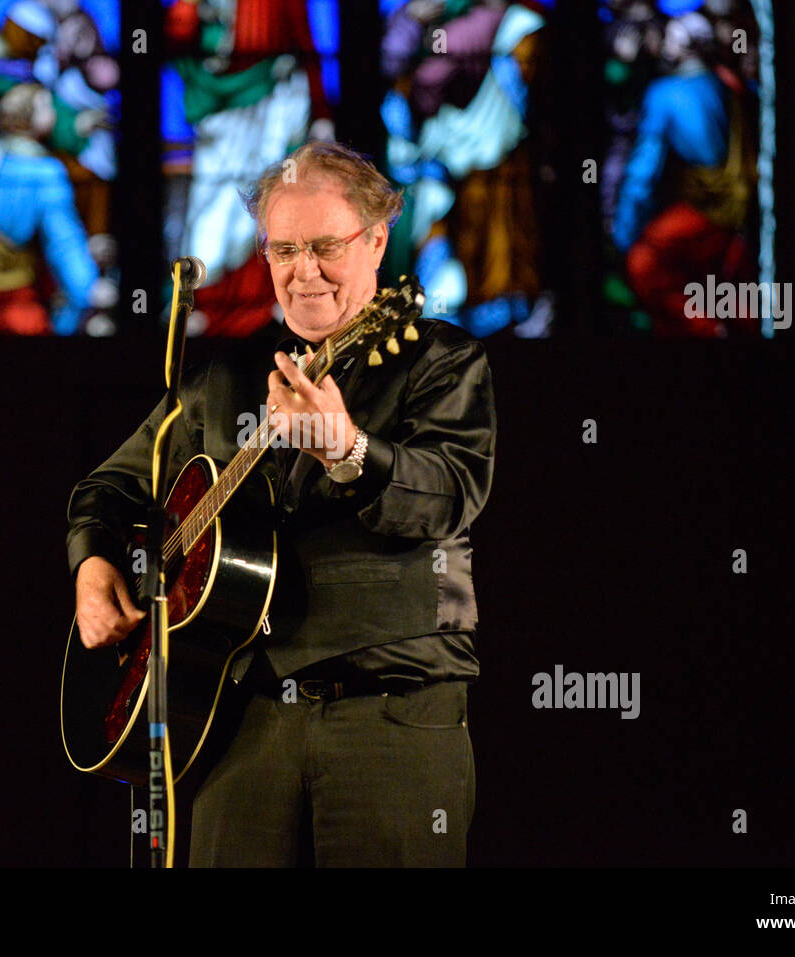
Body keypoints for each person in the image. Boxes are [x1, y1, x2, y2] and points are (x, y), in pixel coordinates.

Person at [65, 142, 495, 866]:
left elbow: (450, 495)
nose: (305, 271)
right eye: (284, 248)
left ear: (378, 239)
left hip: (390, 712)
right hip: (239, 720)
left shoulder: (442, 361)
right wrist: (92, 563)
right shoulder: (224, 379)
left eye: (326, 246)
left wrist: (347, 447)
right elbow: (105, 490)